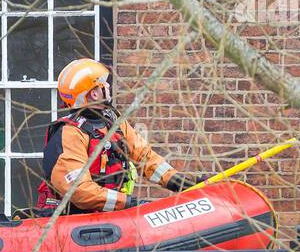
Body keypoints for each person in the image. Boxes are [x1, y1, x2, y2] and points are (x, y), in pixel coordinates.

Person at [37, 58, 202, 214]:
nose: (108, 88)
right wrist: (130, 203)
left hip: (108, 218)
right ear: (94, 94)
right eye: (104, 85)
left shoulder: (113, 123)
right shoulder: (70, 133)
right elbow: (79, 190)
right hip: (74, 223)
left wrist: (182, 183)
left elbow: (145, 157)